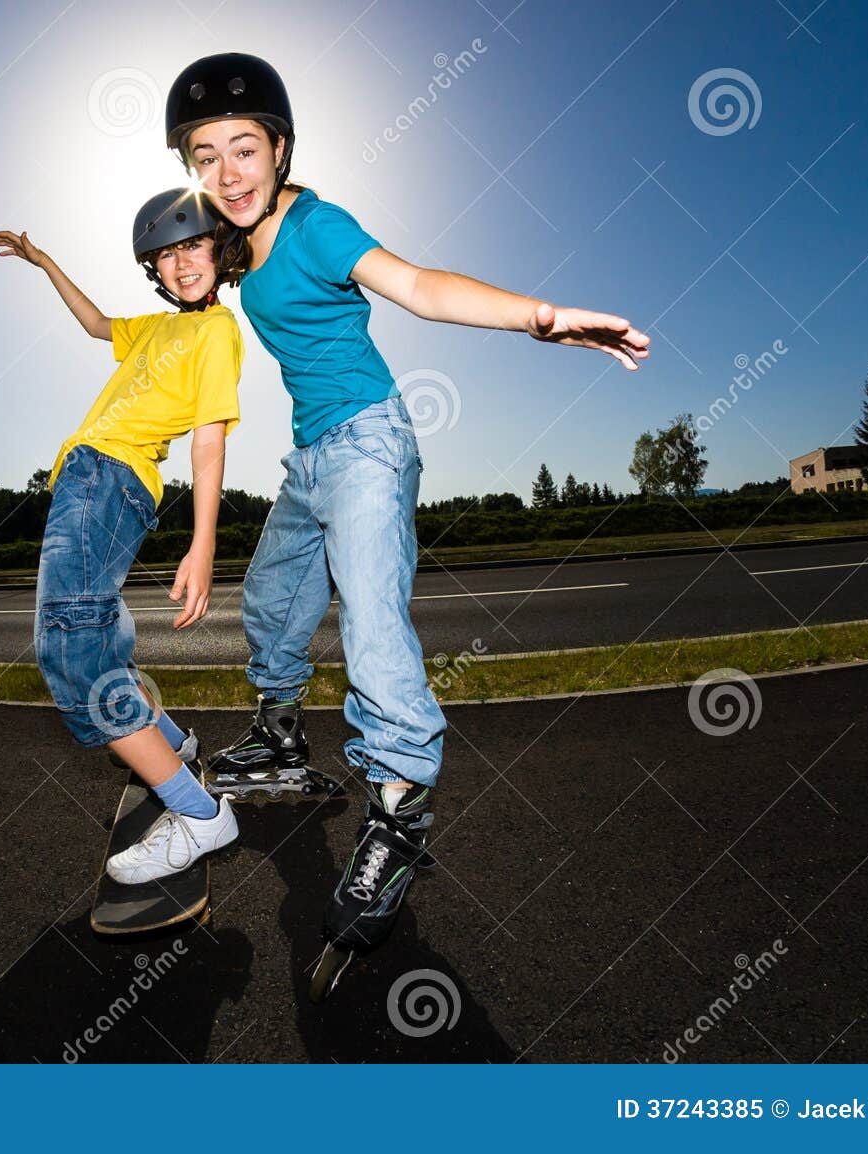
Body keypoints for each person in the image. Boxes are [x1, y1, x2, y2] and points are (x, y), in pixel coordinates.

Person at [164, 53, 651, 951]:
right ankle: (280, 732)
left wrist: (542, 317)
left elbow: (420, 286)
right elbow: (176, 265)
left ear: (280, 148)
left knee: (372, 620)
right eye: (205, 156)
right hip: (312, 456)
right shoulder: (233, 245)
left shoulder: (317, 226)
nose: (226, 174)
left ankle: (398, 812)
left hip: (368, 443)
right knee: (270, 599)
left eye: (243, 149)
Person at [0, 188, 245, 884]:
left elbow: (209, 438)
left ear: (221, 250)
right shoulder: (158, 328)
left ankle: (199, 814)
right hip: (89, 477)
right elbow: (97, 323)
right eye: (165, 255)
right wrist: (43, 261)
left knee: (71, 653)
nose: (180, 263)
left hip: (110, 477)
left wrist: (204, 542)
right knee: (96, 638)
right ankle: (174, 745)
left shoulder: (216, 331)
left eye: (193, 246)